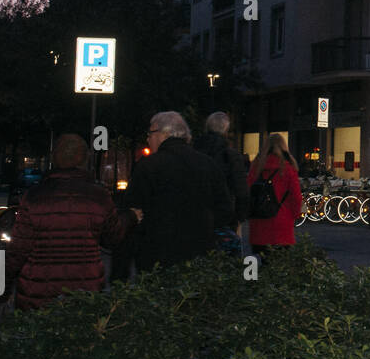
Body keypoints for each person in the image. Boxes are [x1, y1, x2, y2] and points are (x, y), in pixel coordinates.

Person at [0, 134, 137, 311]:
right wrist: (130, 217)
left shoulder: (33, 197)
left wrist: (3, 288)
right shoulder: (99, 196)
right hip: (84, 293)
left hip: (38, 295)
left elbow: (17, 251)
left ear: (54, 159)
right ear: (85, 160)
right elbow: (113, 237)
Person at [126, 111, 233, 272]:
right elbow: (225, 209)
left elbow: (131, 212)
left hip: (156, 256)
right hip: (199, 255)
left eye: (150, 133)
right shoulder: (208, 164)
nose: (148, 139)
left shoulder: (148, 166)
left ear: (164, 133)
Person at [194, 111, 251, 252]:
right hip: (225, 216)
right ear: (226, 129)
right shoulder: (230, 155)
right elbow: (241, 190)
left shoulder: (194, 152)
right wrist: (240, 217)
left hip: (197, 215)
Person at [246, 133, 301, 259]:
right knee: (280, 265)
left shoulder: (256, 167)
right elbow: (296, 197)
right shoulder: (288, 168)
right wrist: (295, 215)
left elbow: (248, 192)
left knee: (263, 261)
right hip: (282, 222)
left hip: (259, 224)